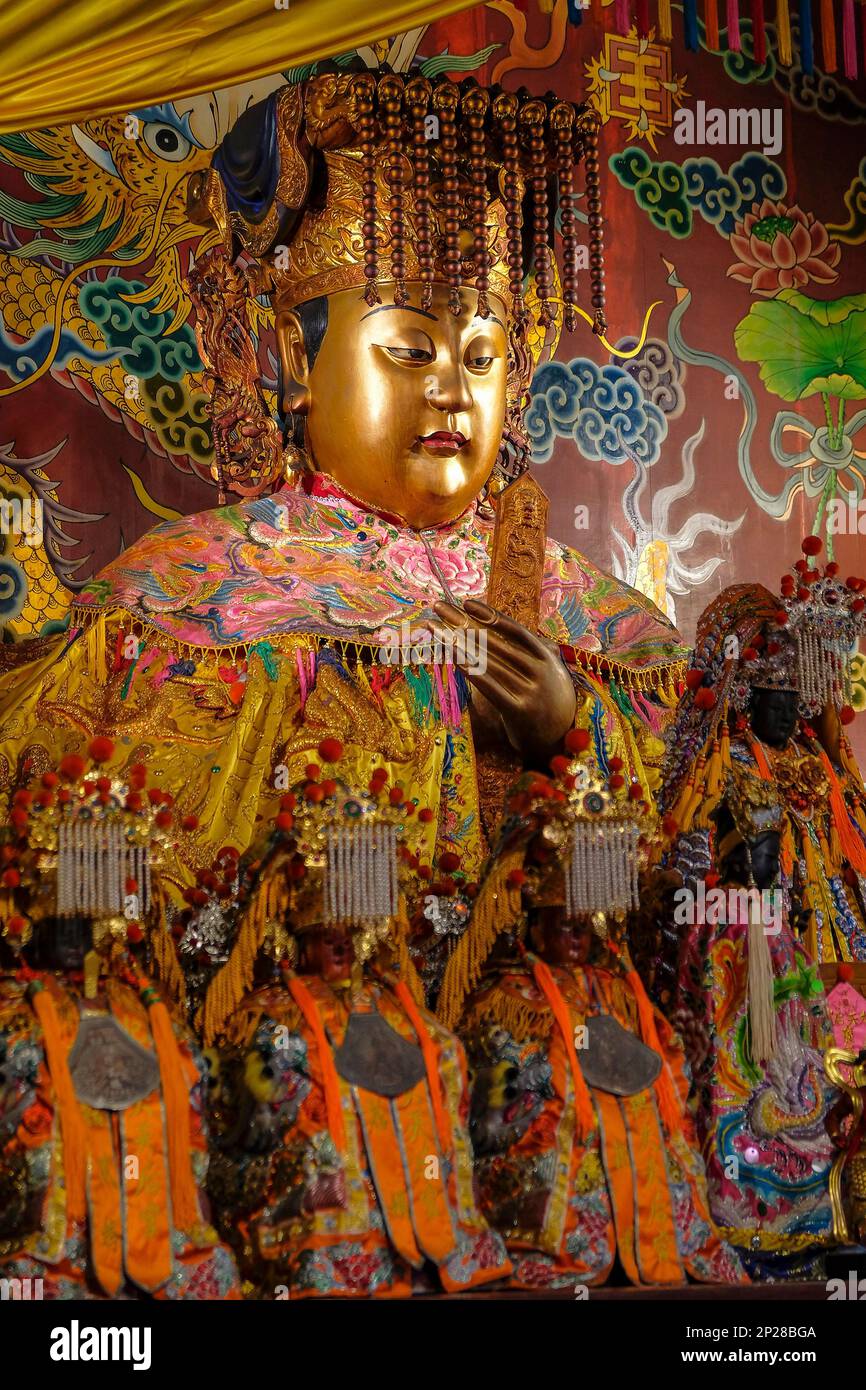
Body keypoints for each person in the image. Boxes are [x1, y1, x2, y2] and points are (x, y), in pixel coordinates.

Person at [0, 70, 684, 930]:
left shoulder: (600, 617)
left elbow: (710, 830)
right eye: (408, 350)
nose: (451, 392)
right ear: (295, 355)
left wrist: (574, 725)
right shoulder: (186, 594)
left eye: (480, 359)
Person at [200, 740, 512, 1297]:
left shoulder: (399, 1008)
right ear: (299, 933)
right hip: (318, 1223)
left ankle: (434, 1234)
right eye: (325, 934)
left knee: (442, 1052)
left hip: (430, 1221)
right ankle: (341, 1241)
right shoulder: (270, 1017)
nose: (340, 945)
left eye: (349, 930)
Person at [438, 749, 744, 1289]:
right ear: (534, 922)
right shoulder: (506, 997)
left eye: (586, 922)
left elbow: (663, 1056)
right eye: (564, 923)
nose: (578, 935)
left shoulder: (614, 988)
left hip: (633, 1133)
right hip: (557, 1137)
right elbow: (492, 1099)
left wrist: (658, 1083)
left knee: (669, 1138)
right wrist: (552, 1083)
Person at [654, 553, 866, 1276]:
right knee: (782, 1070)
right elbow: (689, 859)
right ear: (746, 698)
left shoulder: (818, 760)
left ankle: (845, 1193)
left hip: (830, 926)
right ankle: (777, 1194)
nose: (792, 711)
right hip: (763, 939)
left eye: (796, 698)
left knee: (848, 1054)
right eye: (774, 698)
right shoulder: (726, 766)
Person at [0, 743, 240, 1299]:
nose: (81, 929)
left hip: (156, 1223)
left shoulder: (147, 1010)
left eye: (93, 910)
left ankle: (158, 1236)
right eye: (68, 911)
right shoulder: (16, 1012)